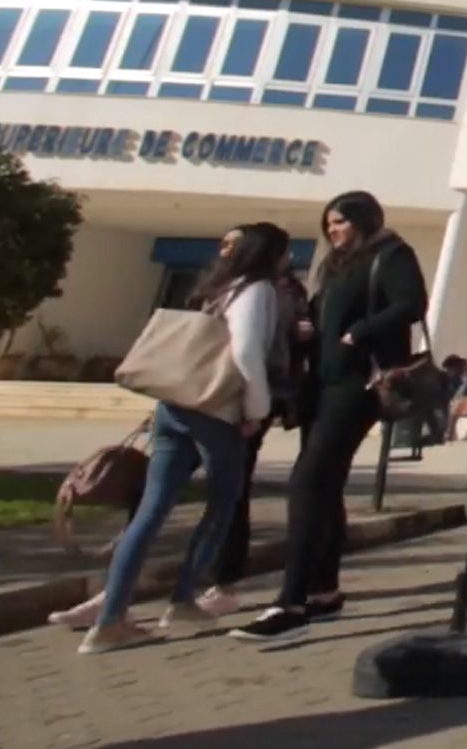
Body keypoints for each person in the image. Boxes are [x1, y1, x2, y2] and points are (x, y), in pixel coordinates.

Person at [79, 223, 285, 654]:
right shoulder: (257, 290)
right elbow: (246, 350)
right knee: (223, 503)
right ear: (273, 255)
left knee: (151, 511)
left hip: (173, 406)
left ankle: (110, 618)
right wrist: (257, 409)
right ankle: (183, 598)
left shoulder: (215, 286)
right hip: (214, 410)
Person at [233, 192, 428, 644]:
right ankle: (324, 591)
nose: (333, 230)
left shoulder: (391, 254)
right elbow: (329, 312)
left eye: (341, 222)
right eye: (329, 224)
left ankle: (290, 602)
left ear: (364, 219)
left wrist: (357, 333)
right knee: (324, 486)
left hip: (358, 385)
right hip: (320, 385)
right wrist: (311, 328)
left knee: (307, 483)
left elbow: (411, 304)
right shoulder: (338, 263)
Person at [203, 249, 312, 611]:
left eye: (234, 243)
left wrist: (257, 408)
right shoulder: (220, 284)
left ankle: (223, 581)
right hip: (200, 394)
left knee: (230, 488)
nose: (225, 250)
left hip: (241, 396)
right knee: (159, 490)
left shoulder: (275, 291)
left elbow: (259, 351)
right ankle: (117, 594)